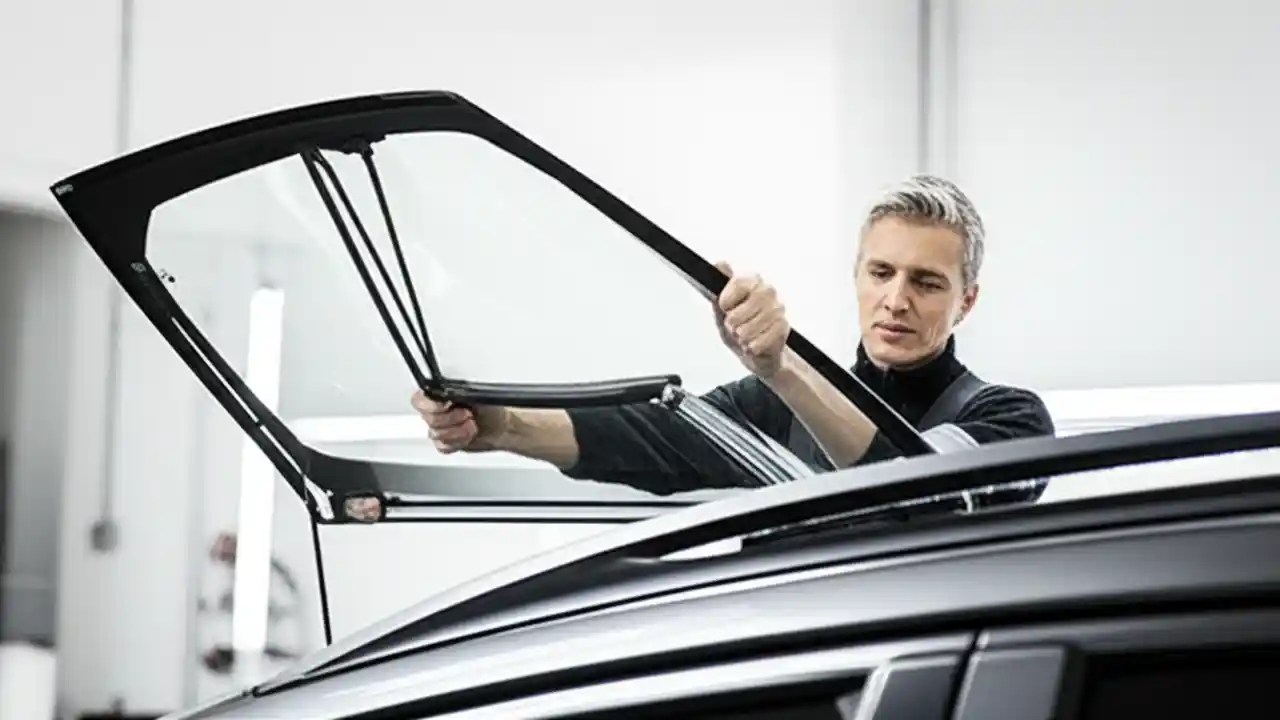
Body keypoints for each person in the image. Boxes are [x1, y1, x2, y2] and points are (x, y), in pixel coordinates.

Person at [411, 174, 1054, 497]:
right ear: (856, 276)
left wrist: (781, 369)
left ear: (966, 302)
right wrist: (496, 426)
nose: (896, 299)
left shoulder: (1010, 420)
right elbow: (643, 437)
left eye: (927, 282)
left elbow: (918, 487)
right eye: (880, 272)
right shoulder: (769, 407)